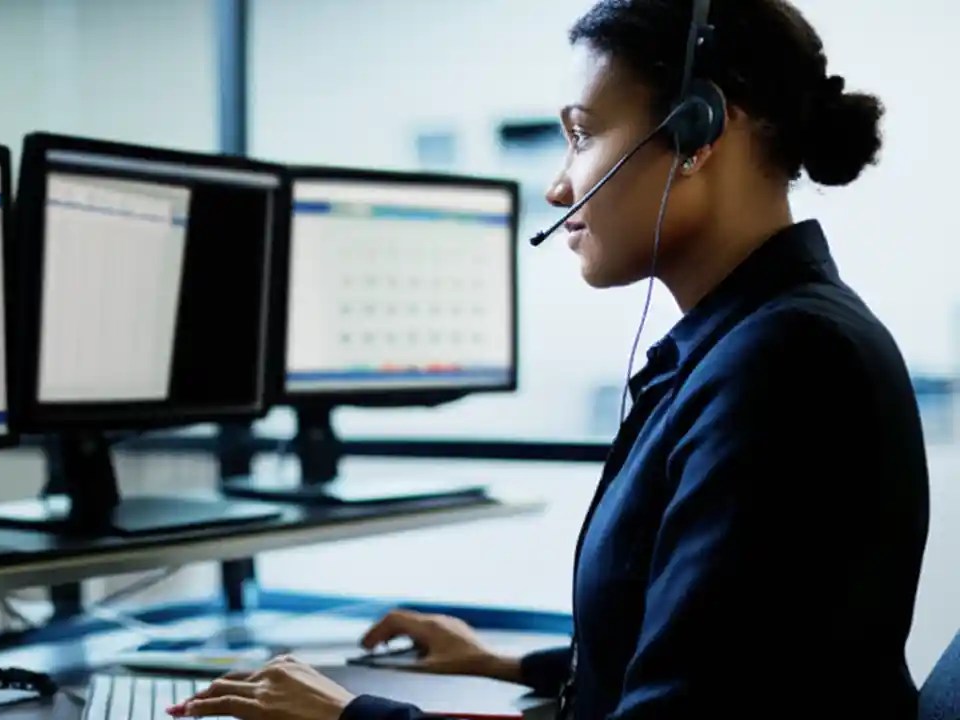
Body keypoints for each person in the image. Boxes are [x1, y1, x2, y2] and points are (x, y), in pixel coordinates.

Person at [169, 0, 931, 718]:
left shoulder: (786, 366)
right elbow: (725, 658)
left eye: (580, 133)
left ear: (698, 133)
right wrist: (506, 665)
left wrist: (354, 715)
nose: (558, 185)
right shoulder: (752, 344)